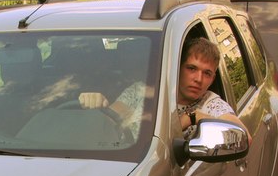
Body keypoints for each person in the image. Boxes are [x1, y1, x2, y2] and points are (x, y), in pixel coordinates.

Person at [79, 37, 250, 141]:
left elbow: (244, 138)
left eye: (207, 73)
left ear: (212, 79)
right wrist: (98, 106)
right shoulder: (142, 91)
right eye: (191, 68)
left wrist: (194, 116)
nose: (198, 79)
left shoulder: (210, 104)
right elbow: (109, 122)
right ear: (177, 68)